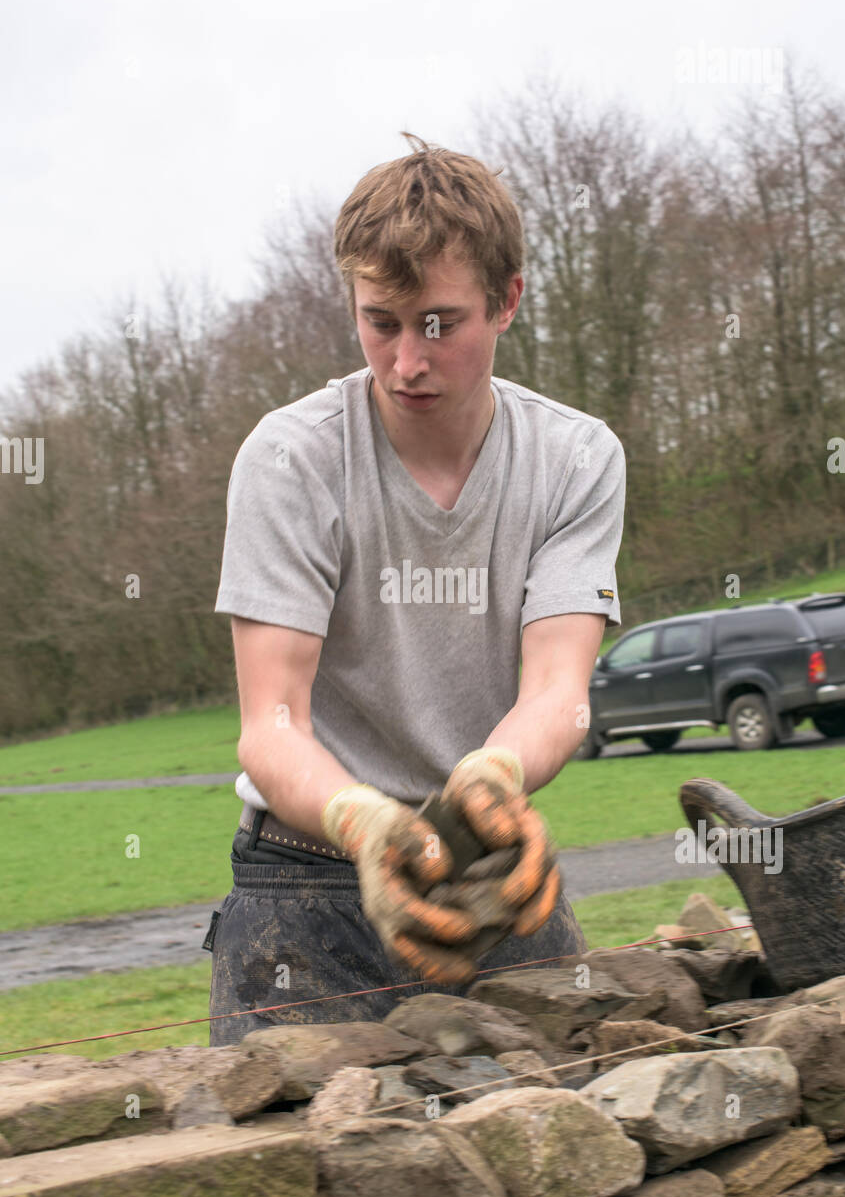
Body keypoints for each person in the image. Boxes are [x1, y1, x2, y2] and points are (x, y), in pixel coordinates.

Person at [208, 132, 626, 1045]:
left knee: (565, 1150)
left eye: (440, 322)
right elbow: (269, 722)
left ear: (506, 300)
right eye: (380, 323)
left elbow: (558, 691)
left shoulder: (576, 459)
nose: (406, 362)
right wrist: (363, 822)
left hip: (482, 859)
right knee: (290, 1169)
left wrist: (494, 773)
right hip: (304, 879)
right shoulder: (289, 459)